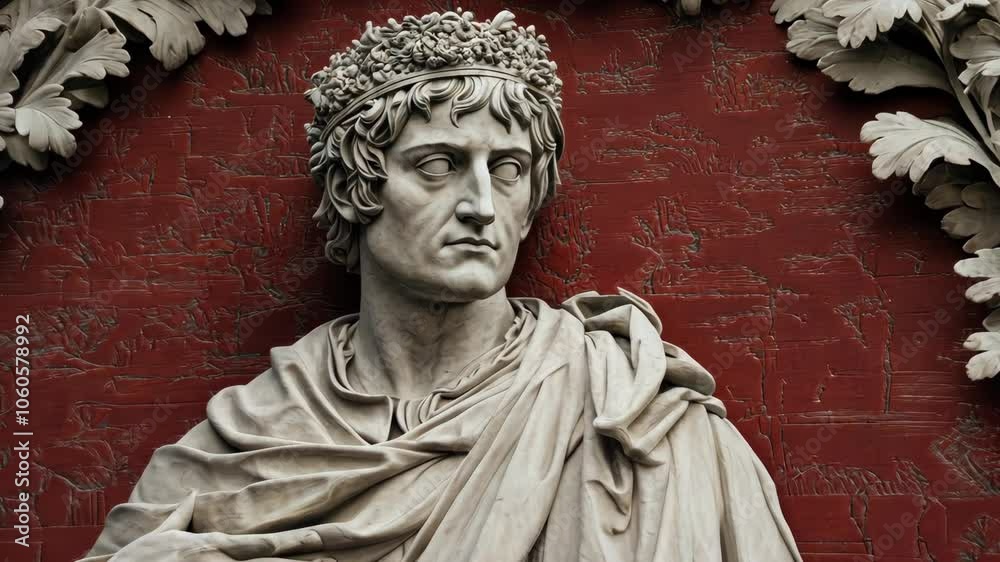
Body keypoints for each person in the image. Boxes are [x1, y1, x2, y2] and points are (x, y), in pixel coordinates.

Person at [81, 9, 802, 561]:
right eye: (437, 166)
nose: (481, 205)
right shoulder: (247, 443)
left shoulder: (637, 419)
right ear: (358, 187)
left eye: (510, 171)